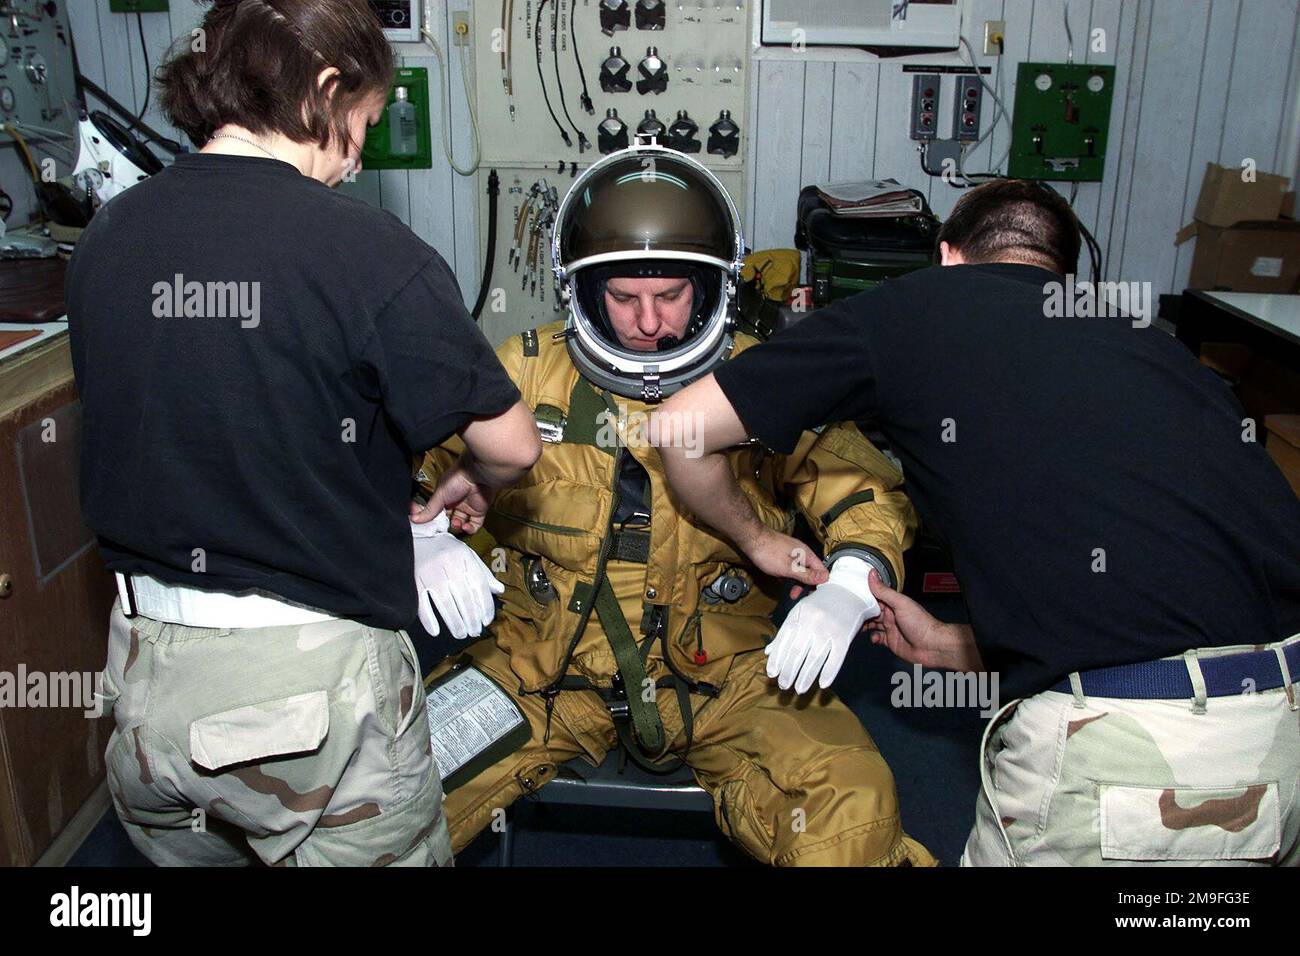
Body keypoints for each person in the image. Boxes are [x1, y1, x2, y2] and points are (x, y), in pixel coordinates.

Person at [654, 179, 1300, 867]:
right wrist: (959, 645)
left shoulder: (914, 308)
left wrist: (757, 540)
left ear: (948, 256)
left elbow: (681, 428)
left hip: (1129, 753)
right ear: (1063, 274)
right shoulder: (1152, 345)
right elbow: (1160, 578)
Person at [66, 0, 540, 867]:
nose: (357, 161)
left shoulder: (109, 234)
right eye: (361, 125)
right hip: (307, 691)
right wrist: (476, 478)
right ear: (326, 89)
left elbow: (214, 422)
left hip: (144, 676)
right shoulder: (364, 249)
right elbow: (514, 444)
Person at [417, 144, 935, 866]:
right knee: (380, 801)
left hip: (730, 675)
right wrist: (425, 535)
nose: (648, 324)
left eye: (670, 297)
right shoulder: (524, 371)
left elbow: (861, 486)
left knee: (856, 811)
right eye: (624, 299)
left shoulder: (761, 379)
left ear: (711, 289)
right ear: (584, 293)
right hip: (535, 670)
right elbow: (418, 463)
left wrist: (851, 581)